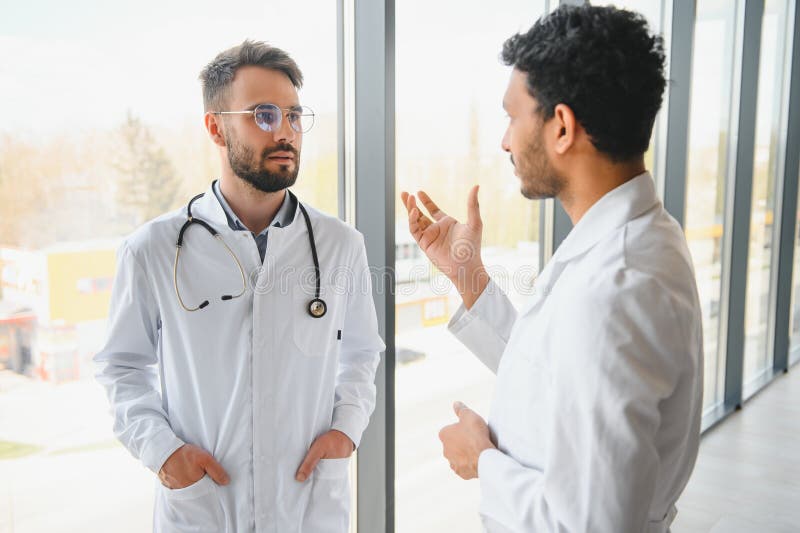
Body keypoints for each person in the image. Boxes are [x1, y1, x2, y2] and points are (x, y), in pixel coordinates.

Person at [401, 5, 703, 532]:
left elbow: (592, 524)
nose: (504, 140)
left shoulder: (618, 285)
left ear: (561, 127)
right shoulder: (636, 240)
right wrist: (468, 277)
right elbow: (558, 375)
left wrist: (483, 461)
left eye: (512, 116)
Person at [95, 40, 384, 533]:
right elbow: (121, 367)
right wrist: (164, 453)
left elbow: (361, 354)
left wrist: (345, 431)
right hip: (203, 506)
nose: (287, 132)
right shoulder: (153, 249)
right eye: (264, 115)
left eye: (294, 116)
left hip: (308, 505)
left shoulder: (340, 245)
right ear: (216, 127)